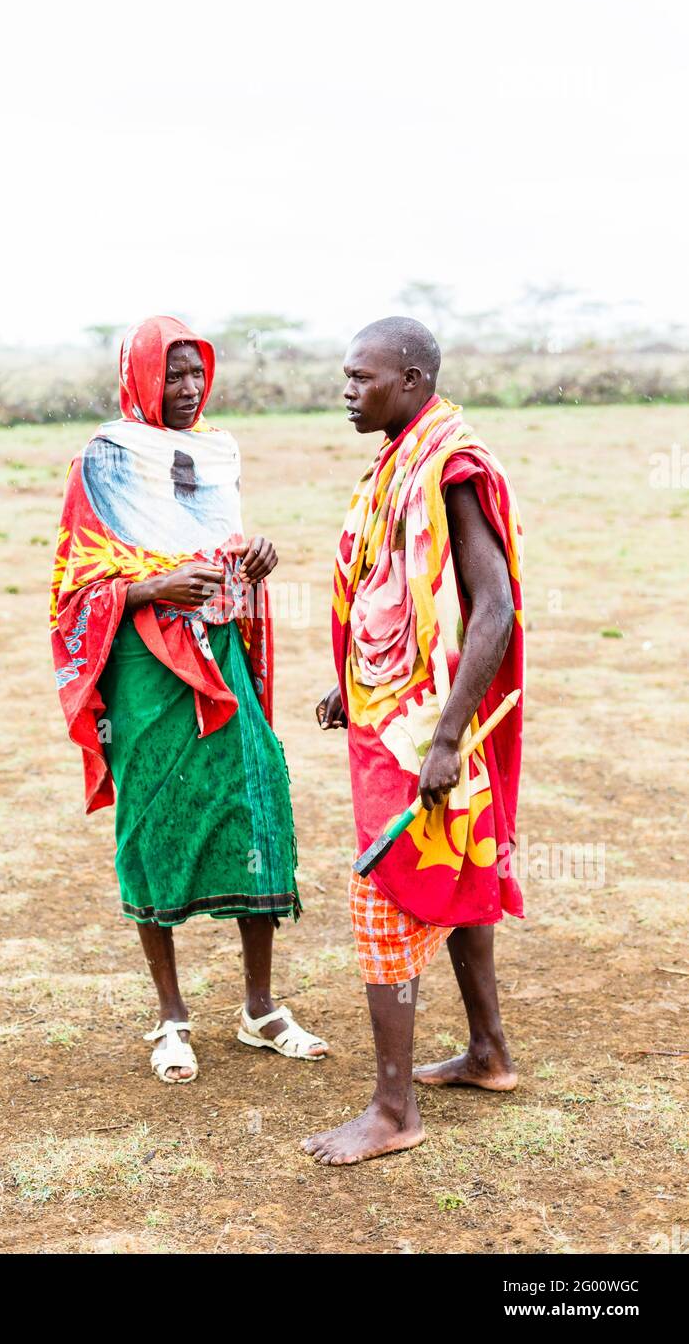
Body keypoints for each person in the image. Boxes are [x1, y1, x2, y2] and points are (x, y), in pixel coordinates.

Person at [51, 315, 327, 1084]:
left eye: (197, 371)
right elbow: (73, 586)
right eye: (172, 374)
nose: (188, 387)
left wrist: (254, 558)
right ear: (142, 376)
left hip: (219, 650)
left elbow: (220, 547)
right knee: (153, 816)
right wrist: (152, 586)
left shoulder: (219, 450)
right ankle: (171, 1016)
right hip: (142, 664)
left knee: (254, 799)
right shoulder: (103, 461)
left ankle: (260, 1007)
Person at [302, 316, 524, 1165]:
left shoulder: (450, 467)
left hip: (424, 728)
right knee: (459, 876)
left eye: (363, 377)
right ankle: (489, 1053)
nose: (348, 390)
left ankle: (393, 1112)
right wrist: (352, 679)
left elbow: (493, 607)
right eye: (346, 375)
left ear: (414, 381)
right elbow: (404, 593)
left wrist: (446, 737)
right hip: (400, 707)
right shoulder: (403, 456)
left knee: (386, 892)